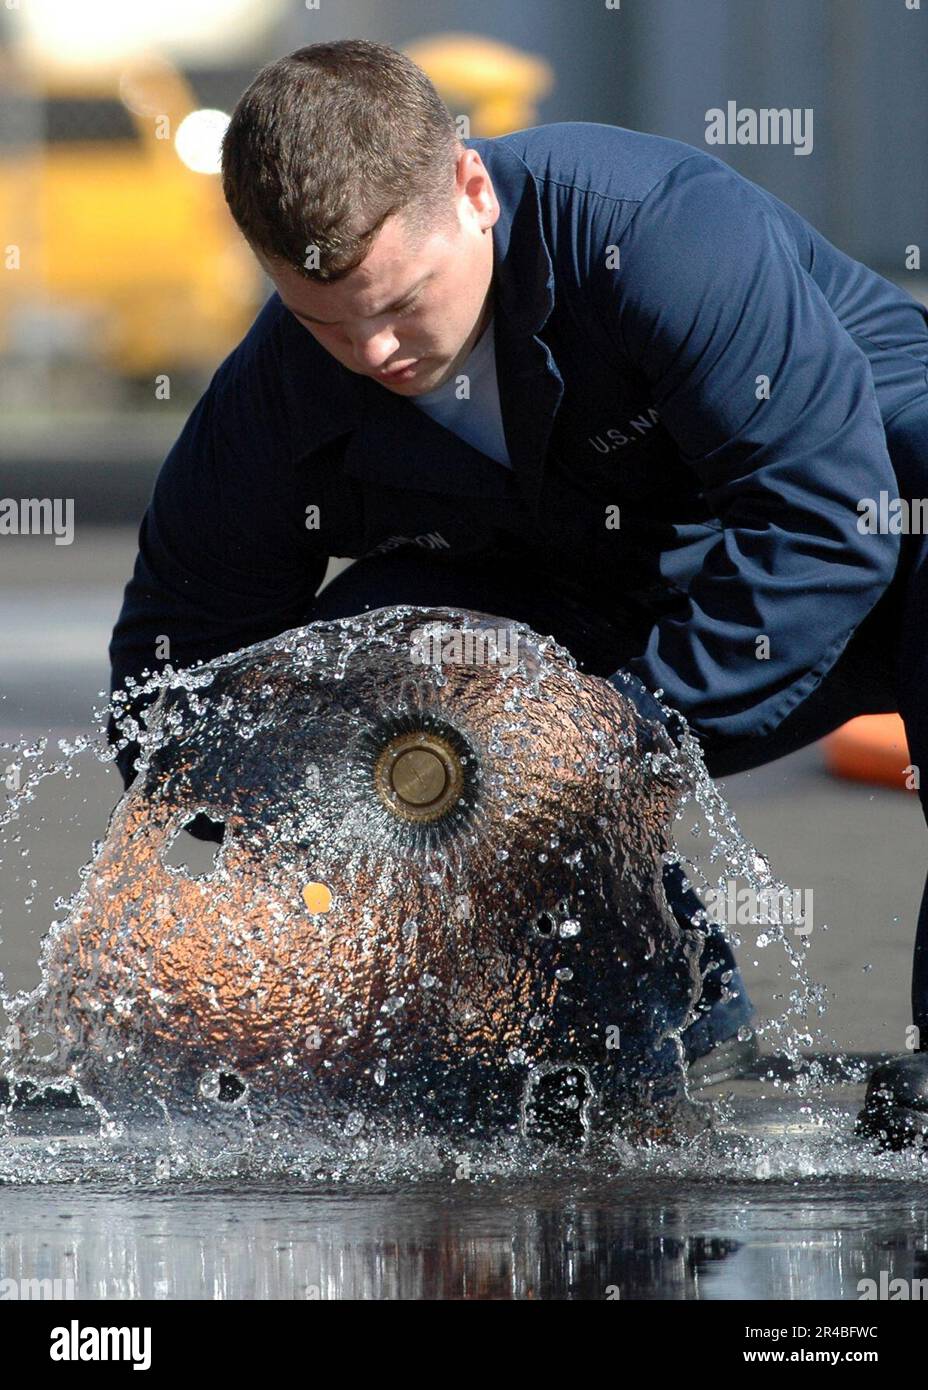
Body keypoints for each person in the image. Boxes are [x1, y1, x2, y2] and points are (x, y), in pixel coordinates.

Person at [109, 40, 928, 1145]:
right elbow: (169, 687)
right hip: (592, 599)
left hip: (863, 545)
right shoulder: (278, 391)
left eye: (399, 302)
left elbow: (826, 518)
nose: (375, 351)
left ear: (473, 188)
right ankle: (635, 1013)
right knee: (375, 670)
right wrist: (340, 819)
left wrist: (613, 741)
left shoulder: (655, 232)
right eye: (326, 322)